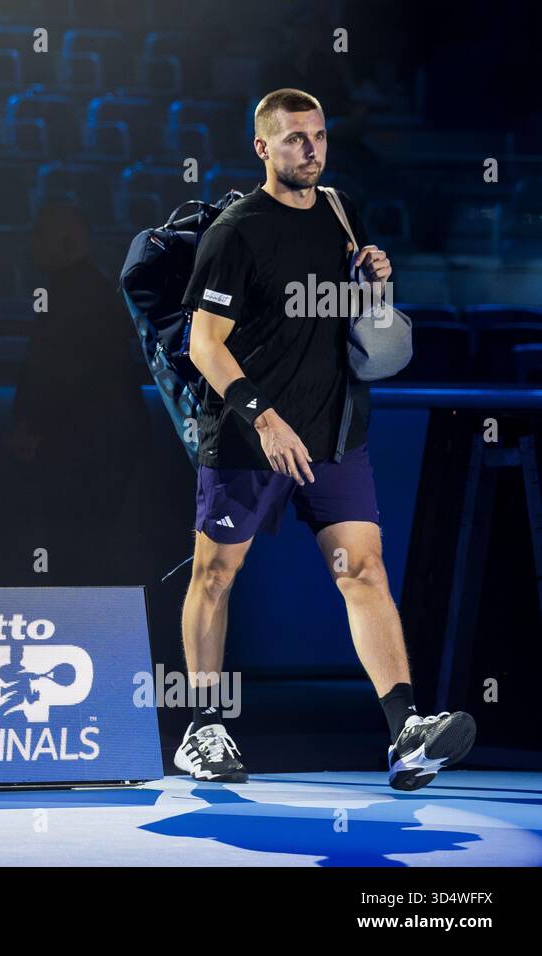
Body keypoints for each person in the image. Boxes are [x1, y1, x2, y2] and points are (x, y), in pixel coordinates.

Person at [175, 88, 475, 791]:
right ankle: (204, 728)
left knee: (362, 571)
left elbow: (345, 318)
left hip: (335, 433)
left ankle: (406, 731)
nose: (311, 149)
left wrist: (375, 282)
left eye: (318, 136)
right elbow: (203, 344)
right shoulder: (236, 231)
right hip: (252, 436)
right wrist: (264, 417)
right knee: (215, 575)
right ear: (263, 149)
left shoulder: (341, 212)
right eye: (294, 139)